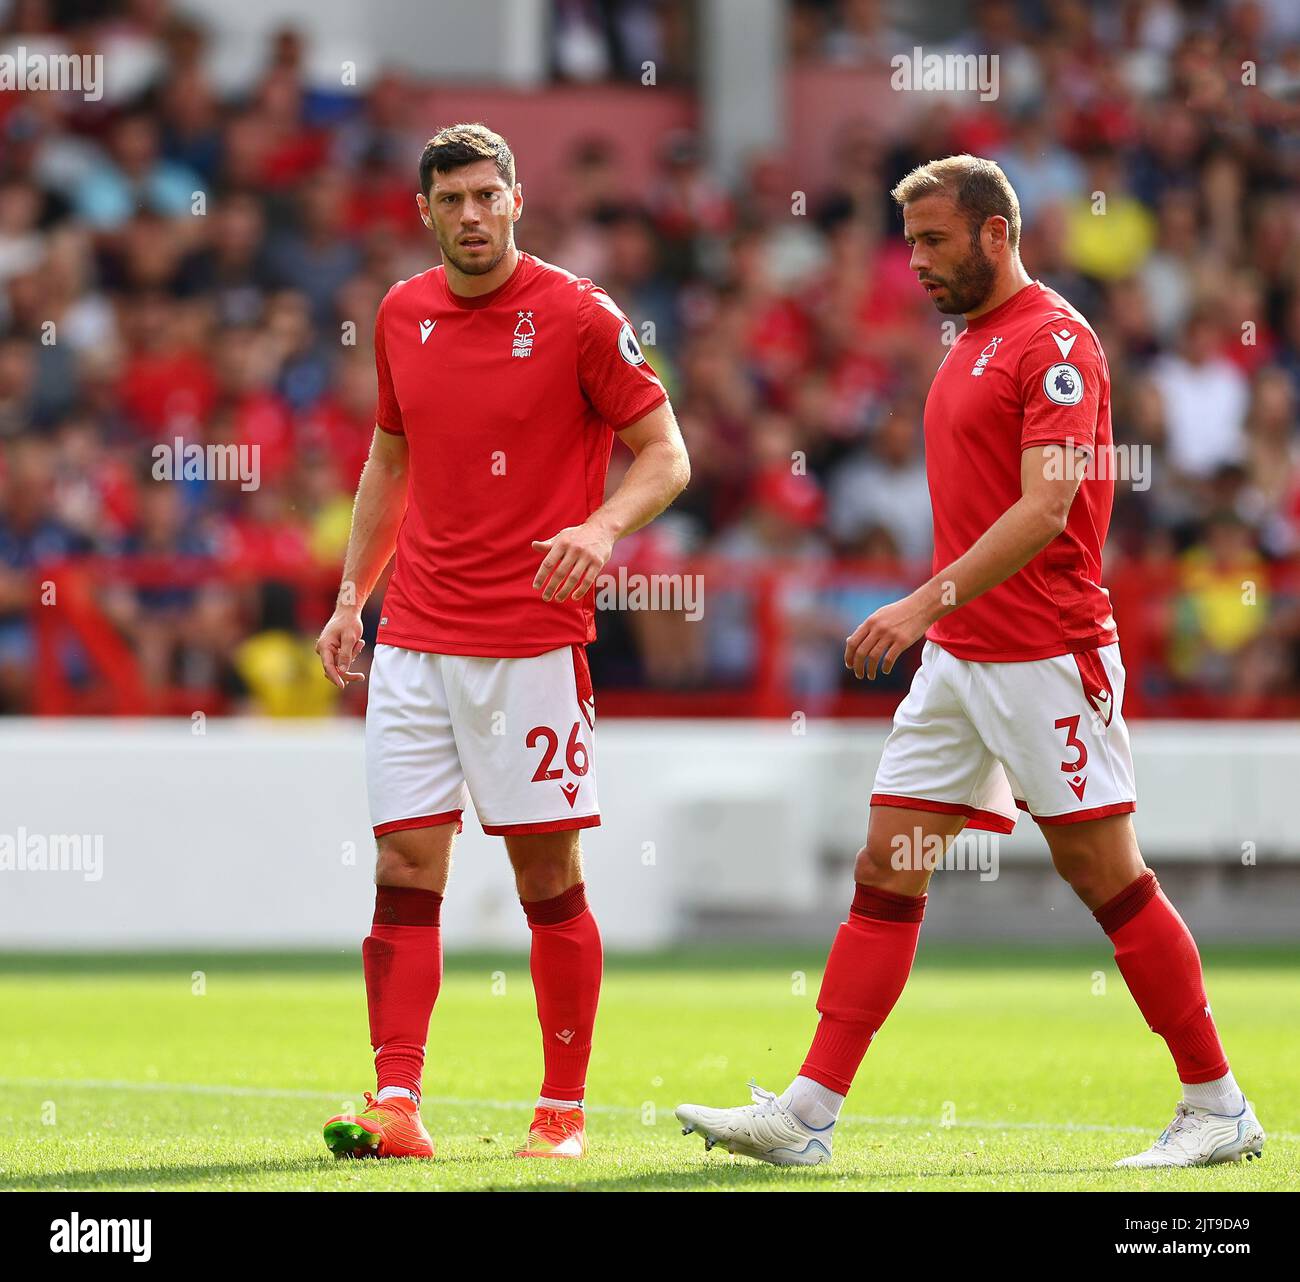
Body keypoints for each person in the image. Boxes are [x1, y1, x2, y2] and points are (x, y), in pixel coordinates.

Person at [675, 155, 1264, 1170]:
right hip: (961, 658)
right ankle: (809, 1111)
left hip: (1045, 654)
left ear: (996, 233)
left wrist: (915, 602)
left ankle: (1217, 1105)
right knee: (886, 864)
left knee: (1106, 878)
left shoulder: (1057, 343)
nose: (916, 263)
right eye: (908, 244)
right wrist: (938, 617)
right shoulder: (968, 344)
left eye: (934, 241)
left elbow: (1044, 510)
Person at [315, 123, 689, 1161]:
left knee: (545, 877)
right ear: (425, 212)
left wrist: (601, 525)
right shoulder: (401, 313)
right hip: (415, 642)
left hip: (530, 645)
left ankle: (561, 1111)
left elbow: (666, 452)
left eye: (487, 196)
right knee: (402, 863)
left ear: (517, 199)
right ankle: (396, 1101)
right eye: (452, 201)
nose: (471, 216)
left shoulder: (578, 316)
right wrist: (354, 597)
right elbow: (388, 464)